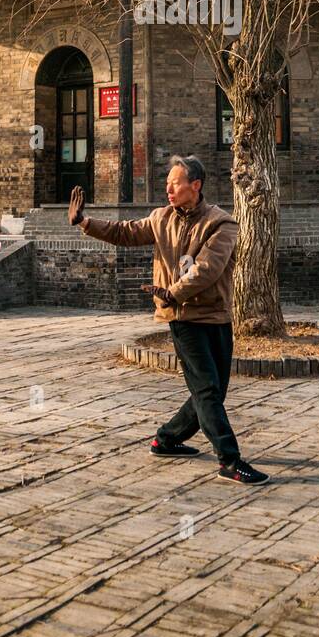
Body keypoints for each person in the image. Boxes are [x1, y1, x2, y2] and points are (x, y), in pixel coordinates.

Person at [68, 155, 269, 484]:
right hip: (182, 316)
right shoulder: (161, 218)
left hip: (215, 315)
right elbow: (125, 232)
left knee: (213, 392)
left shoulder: (222, 224)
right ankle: (230, 460)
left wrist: (173, 291)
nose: (168, 190)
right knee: (206, 389)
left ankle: (167, 439)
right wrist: (85, 222)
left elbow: (208, 269)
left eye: (175, 184)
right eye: (167, 185)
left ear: (195, 186)